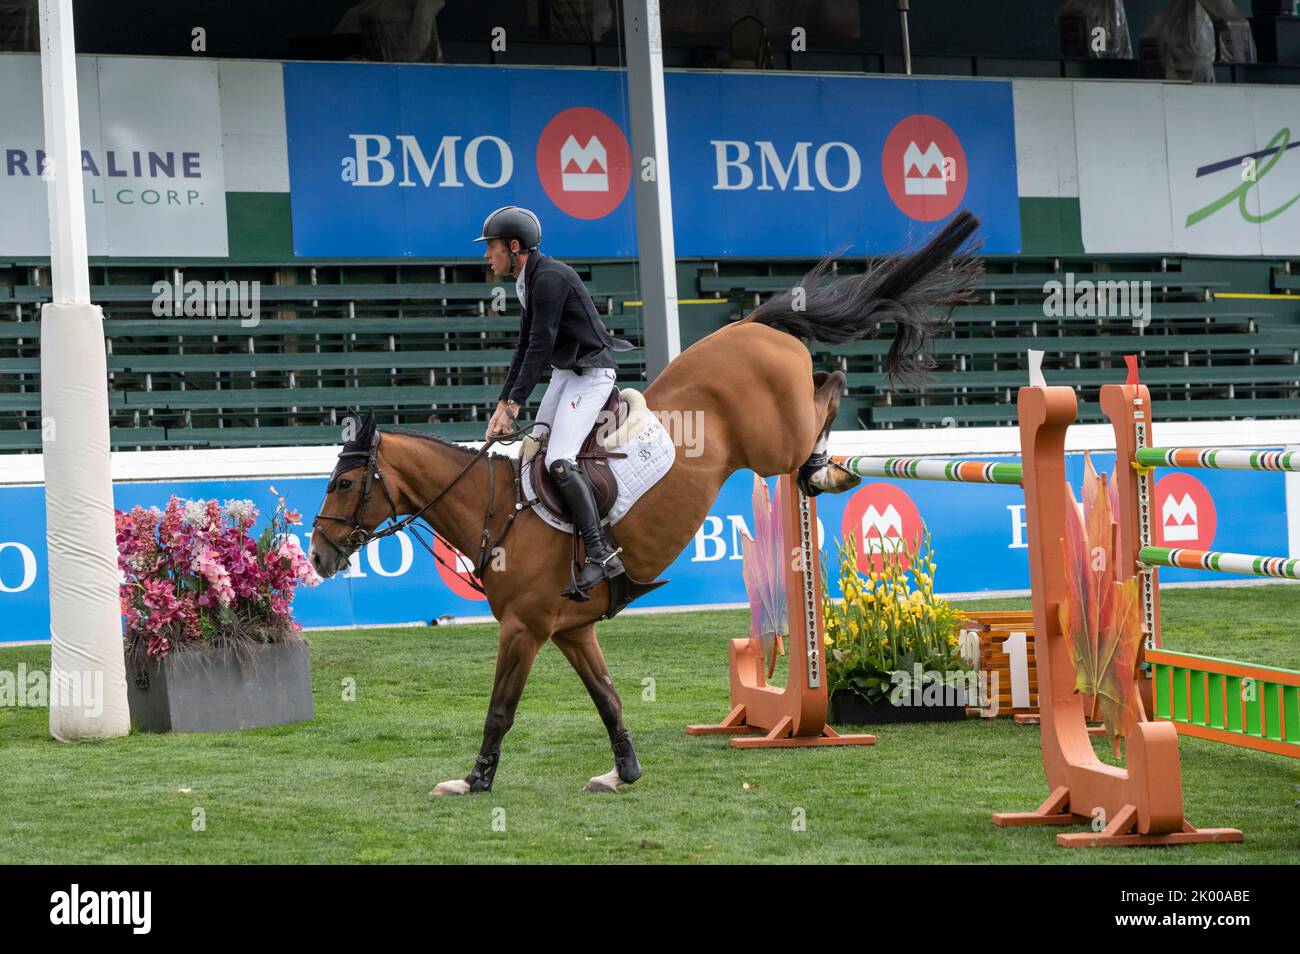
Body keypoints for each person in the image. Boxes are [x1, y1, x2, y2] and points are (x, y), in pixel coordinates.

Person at [477, 206, 636, 603]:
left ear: (514, 247)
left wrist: (515, 407)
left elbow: (540, 347)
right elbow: (524, 347)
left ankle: (601, 552)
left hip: (591, 374)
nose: (486, 255)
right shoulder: (527, 280)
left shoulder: (548, 278)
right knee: (533, 451)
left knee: (558, 460)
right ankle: (553, 549)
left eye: (491, 247)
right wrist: (502, 404)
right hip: (567, 374)